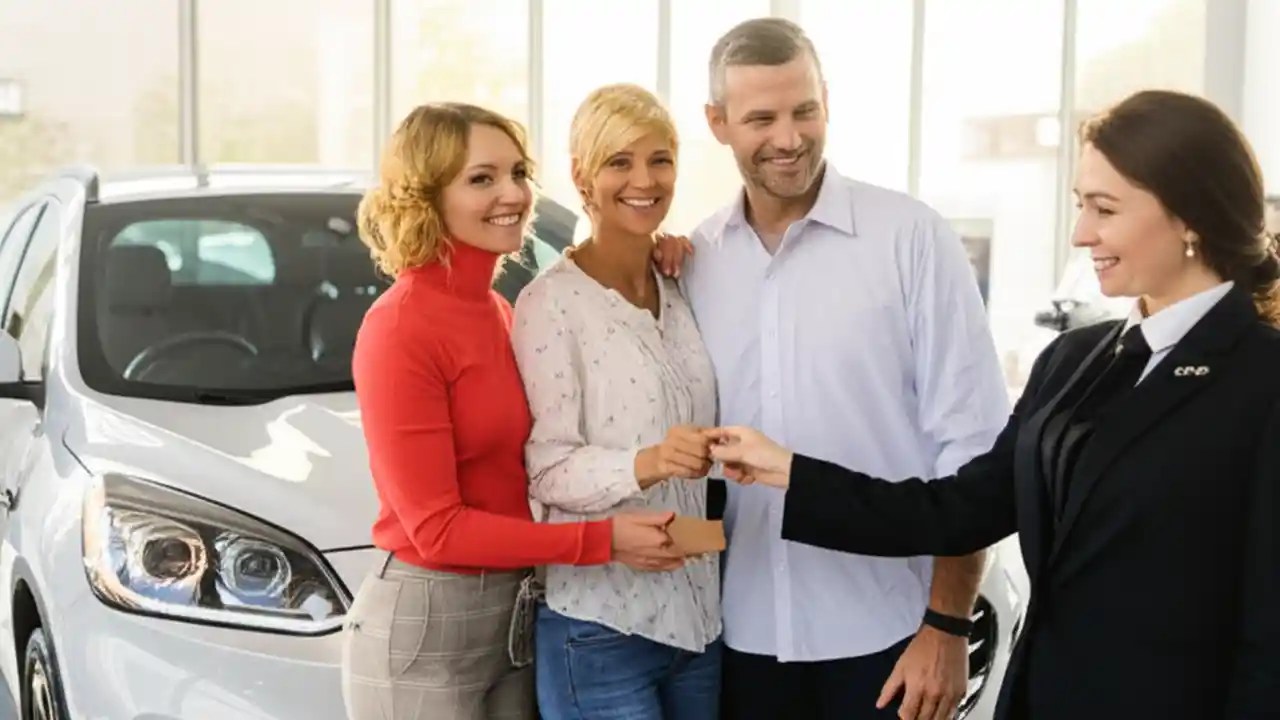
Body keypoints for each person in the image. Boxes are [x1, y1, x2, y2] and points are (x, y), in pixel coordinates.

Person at [707, 89, 1280, 720]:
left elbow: (1268, 638)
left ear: (1189, 216)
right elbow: (958, 511)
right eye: (1079, 205)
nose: (1081, 232)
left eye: (1105, 209)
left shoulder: (1261, 383)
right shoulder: (1076, 361)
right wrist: (789, 472)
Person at [677, 17, 1011, 720]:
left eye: (805, 111)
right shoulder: (696, 261)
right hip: (739, 639)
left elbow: (975, 452)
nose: (789, 138)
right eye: (761, 118)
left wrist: (947, 625)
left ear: (826, 100)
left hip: (888, 639)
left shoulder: (911, 238)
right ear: (717, 122)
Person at [343, 102, 687, 720]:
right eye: (482, 178)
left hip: (516, 611)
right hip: (427, 625)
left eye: (518, 172)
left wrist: (654, 249)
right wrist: (600, 541)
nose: (513, 194)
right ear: (426, 196)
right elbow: (437, 528)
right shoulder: (399, 327)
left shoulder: (501, 310)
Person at [511, 83, 723, 720]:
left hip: (701, 622)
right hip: (602, 628)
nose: (645, 179)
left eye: (659, 159)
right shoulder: (549, 306)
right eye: (619, 161)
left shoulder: (685, 282)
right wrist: (650, 460)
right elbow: (545, 468)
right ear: (582, 176)